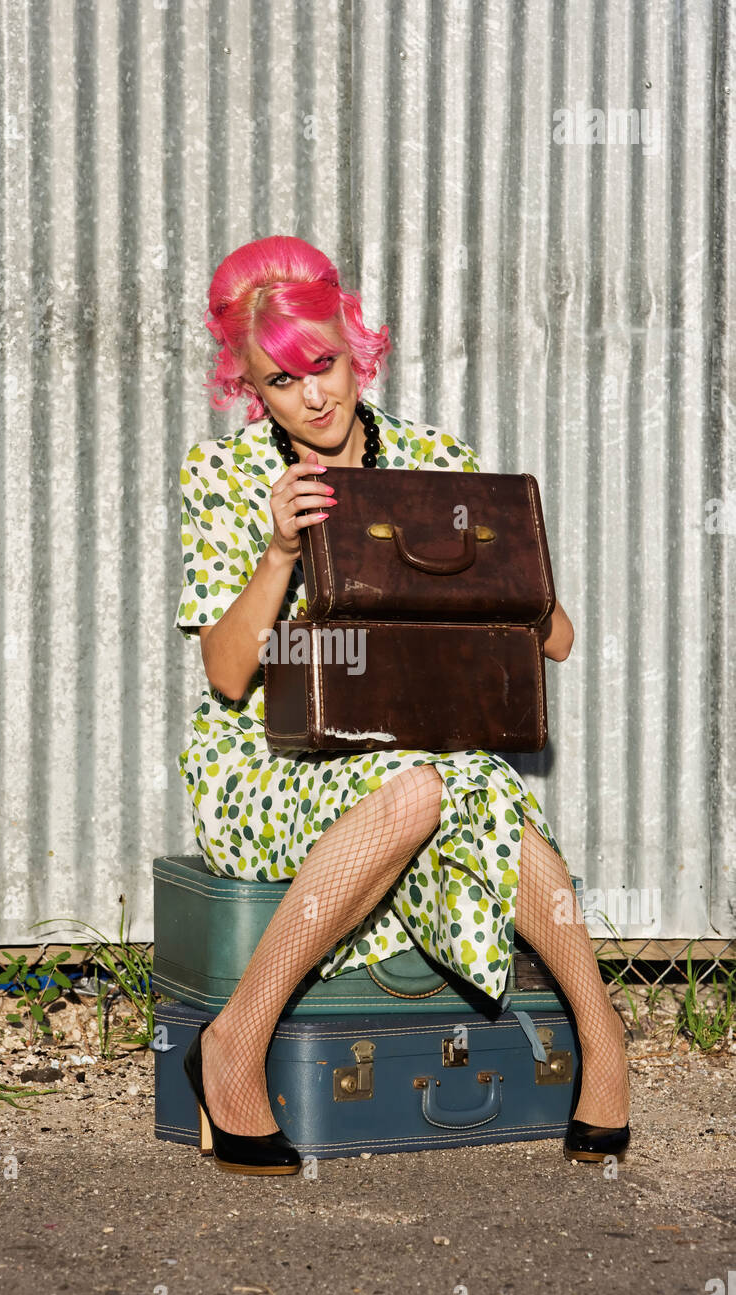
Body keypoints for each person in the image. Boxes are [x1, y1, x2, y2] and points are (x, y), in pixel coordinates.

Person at [174, 234, 630, 1176]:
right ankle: (234, 1043)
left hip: (414, 742)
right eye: (279, 381)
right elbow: (225, 676)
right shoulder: (221, 477)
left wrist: (483, 556)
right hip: (266, 758)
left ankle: (604, 1034)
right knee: (431, 786)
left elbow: (557, 641)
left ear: (356, 346)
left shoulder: (433, 458)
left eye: (324, 365)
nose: (312, 397)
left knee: (461, 776)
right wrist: (280, 555)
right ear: (252, 391)